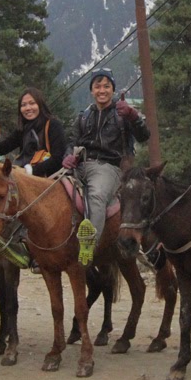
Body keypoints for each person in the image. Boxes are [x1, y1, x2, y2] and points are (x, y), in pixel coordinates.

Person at [62, 69, 150, 262]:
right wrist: (68, 155)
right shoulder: (83, 116)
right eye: (97, 86)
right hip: (81, 163)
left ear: (113, 89)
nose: (102, 90)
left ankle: (89, 246)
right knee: (50, 187)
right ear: (92, 91)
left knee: (96, 196)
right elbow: (71, 140)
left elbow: (144, 136)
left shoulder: (122, 113)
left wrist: (133, 116)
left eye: (106, 86)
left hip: (109, 167)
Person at [0, 88, 68, 178]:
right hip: (24, 179)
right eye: (23, 105)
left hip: (49, 180)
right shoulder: (23, 129)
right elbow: (2, 150)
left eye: (32, 103)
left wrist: (30, 171)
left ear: (40, 105)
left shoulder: (53, 125)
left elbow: (58, 158)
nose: (28, 108)